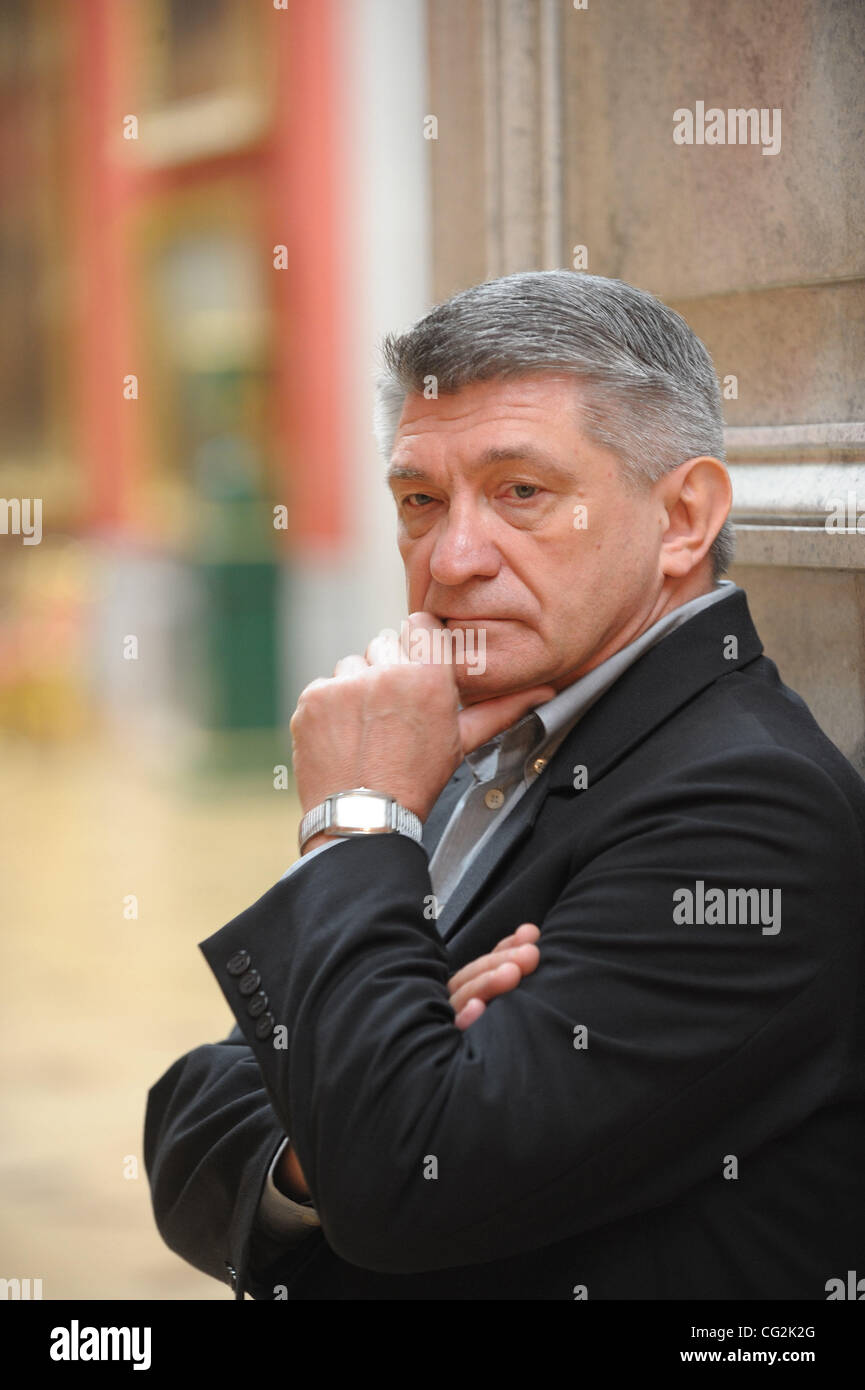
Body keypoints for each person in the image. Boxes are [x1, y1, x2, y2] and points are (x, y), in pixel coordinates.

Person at [144, 270, 865, 1300]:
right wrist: (345, 1111)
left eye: (521, 491)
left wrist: (354, 824)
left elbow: (402, 1183)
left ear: (683, 517)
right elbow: (186, 1116)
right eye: (419, 501)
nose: (450, 557)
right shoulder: (466, 736)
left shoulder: (746, 811)